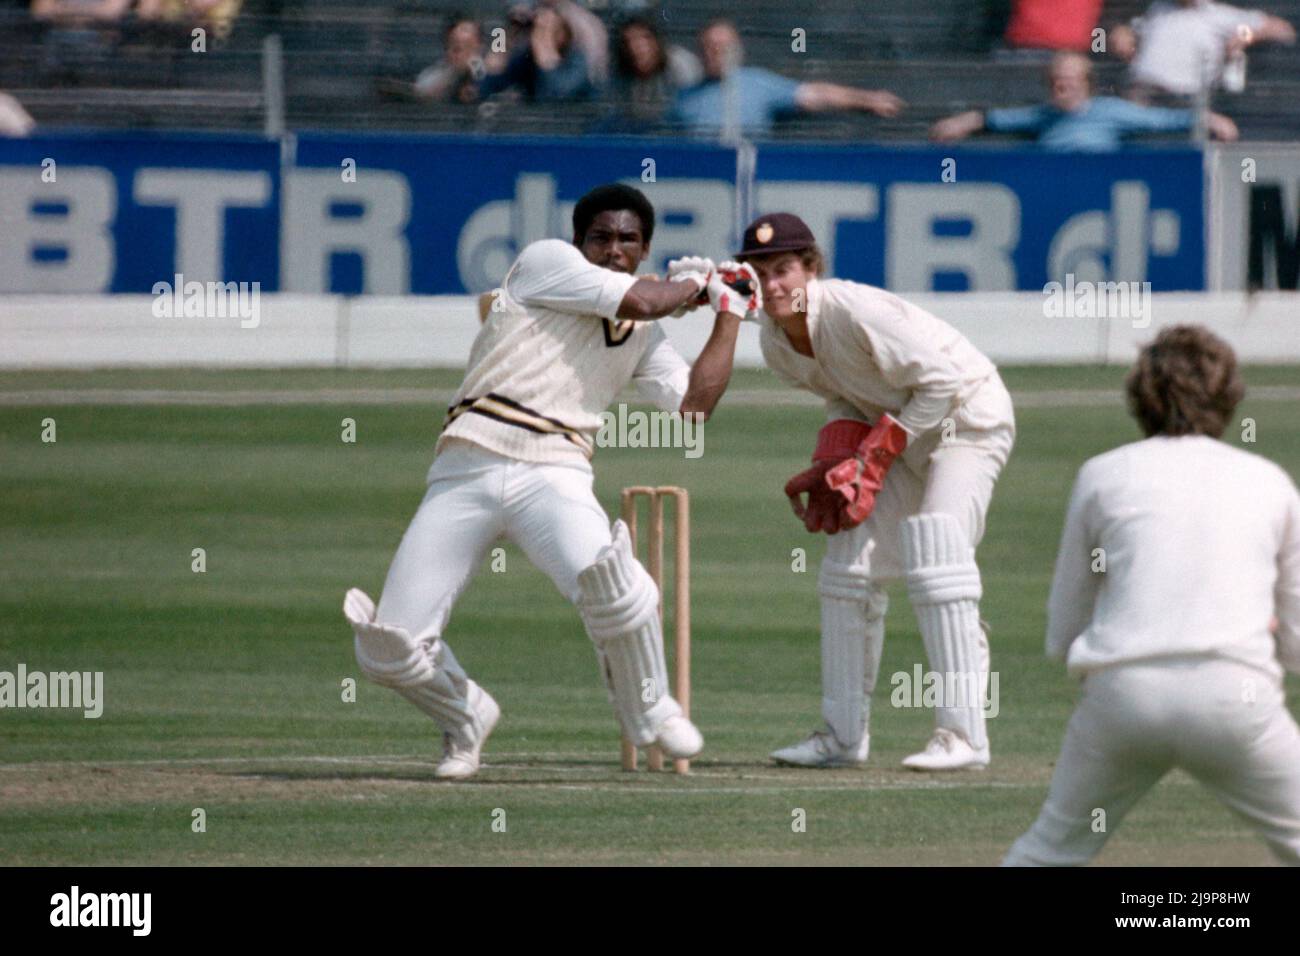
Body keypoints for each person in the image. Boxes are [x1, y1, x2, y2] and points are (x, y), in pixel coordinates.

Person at [343, 184, 757, 780]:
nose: (613, 250)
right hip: (468, 464)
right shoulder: (545, 263)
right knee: (388, 647)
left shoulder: (644, 334)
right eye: (601, 237)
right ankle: (466, 717)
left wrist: (729, 313)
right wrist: (699, 285)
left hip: (556, 474)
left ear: (645, 249)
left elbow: (693, 412)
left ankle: (651, 710)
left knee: (618, 589)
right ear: (577, 241)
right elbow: (641, 300)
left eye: (628, 241)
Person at [1004, 325, 1300, 865]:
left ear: (1140, 398)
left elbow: (1066, 623)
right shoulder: (1270, 481)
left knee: (1048, 851)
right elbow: (1296, 636)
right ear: (1229, 397)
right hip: (1236, 698)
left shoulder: (1102, 475)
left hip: (1124, 697)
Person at [735, 213, 1015, 771]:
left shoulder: (853, 310)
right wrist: (836, 457)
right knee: (849, 564)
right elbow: (844, 395)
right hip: (904, 433)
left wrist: (881, 450)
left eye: (784, 270)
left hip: (968, 421)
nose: (773, 285)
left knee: (937, 554)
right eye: (760, 273)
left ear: (810, 269)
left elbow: (942, 381)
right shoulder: (776, 344)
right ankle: (843, 737)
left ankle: (963, 736)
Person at [930, 50, 1238, 150]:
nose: (1062, 87)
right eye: (1056, 81)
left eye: (1070, 81)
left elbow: (1163, 120)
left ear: (1087, 85)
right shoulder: (1043, 115)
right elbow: (995, 119)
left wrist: (1210, 119)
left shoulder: (1111, 111)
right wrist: (961, 122)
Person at [669, 19, 903, 139]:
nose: (714, 53)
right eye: (708, 47)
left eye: (722, 47)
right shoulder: (684, 96)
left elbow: (815, 95)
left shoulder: (756, 84)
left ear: (737, 49)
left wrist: (867, 100)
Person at [1110, 0, 1296, 101]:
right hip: (1137, 94)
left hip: (1183, 101)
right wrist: (1122, 35)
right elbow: (1126, 34)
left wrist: (1244, 37)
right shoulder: (1156, 8)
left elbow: (1282, 29)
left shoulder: (1217, 14)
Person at [478, 3, 597, 103]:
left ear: (563, 35)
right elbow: (485, 90)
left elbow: (556, 100)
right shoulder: (527, 58)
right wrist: (503, 51)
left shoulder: (577, 59)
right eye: (536, 28)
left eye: (546, 29)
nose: (538, 35)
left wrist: (546, 56)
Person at [602, 14, 701, 132]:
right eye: (629, 41)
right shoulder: (619, 76)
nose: (637, 47)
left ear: (656, 41)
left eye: (644, 38)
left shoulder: (681, 64)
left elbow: (694, 110)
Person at [414, 14, 485, 104]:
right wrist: (455, 71)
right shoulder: (437, 74)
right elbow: (422, 91)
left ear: (480, 46)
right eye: (457, 47)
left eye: (469, 46)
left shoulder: (492, 71)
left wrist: (474, 64)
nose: (465, 53)